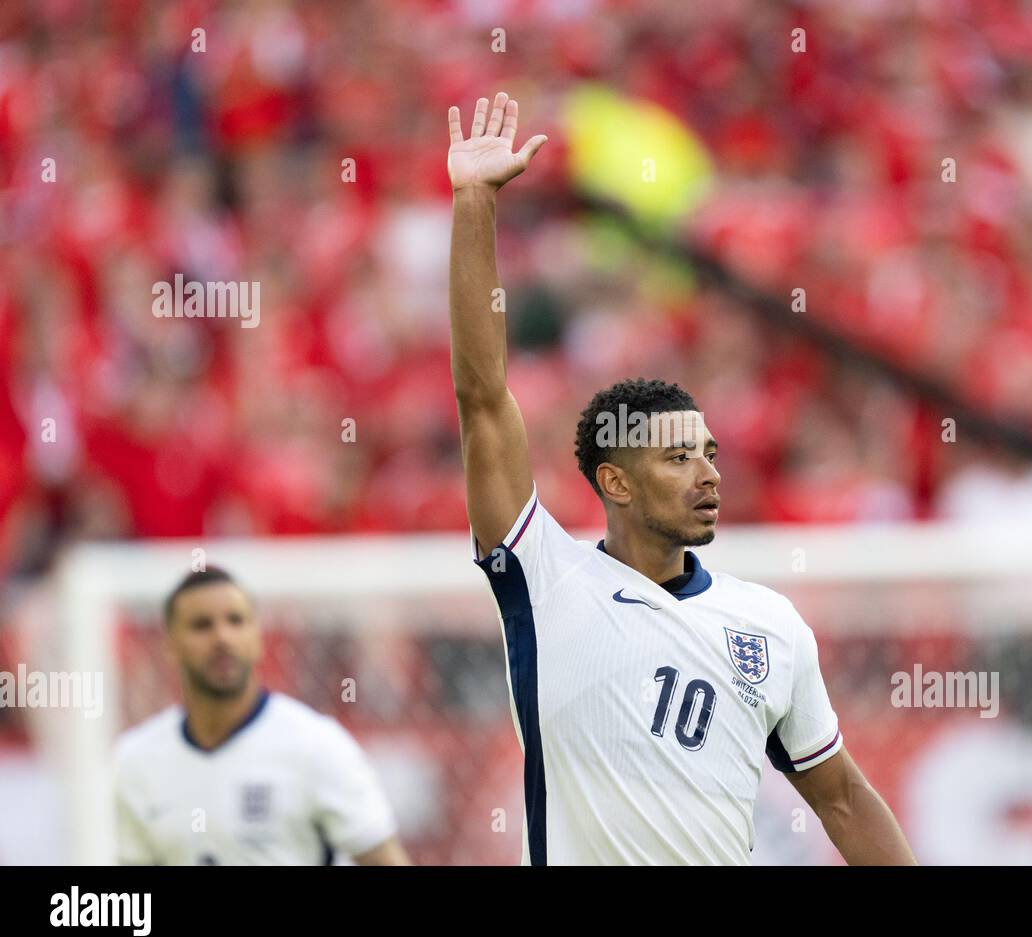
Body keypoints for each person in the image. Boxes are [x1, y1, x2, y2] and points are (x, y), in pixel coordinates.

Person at [447, 91, 916, 865]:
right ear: (616, 483)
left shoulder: (769, 626)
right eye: (677, 457)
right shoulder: (547, 582)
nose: (707, 474)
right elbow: (483, 400)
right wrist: (474, 206)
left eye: (709, 454)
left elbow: (841, 798)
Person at [113, 567, 409, 865]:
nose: (223, 637)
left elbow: (385, 859)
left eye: (236, 621)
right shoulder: (136, 760)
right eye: (202, 625)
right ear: (170, 644)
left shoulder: (315, 745)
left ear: (257, 636)